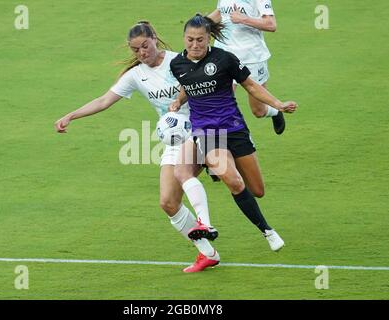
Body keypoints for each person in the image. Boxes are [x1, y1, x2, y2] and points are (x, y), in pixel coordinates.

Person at [54, 21, 219, 273]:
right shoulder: (135, 75)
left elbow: (211, 81)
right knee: (168, 202)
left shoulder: (178, 61)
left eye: (145, 45)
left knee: (190, 176)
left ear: (155, 39)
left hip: (201, 129)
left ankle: (210, 192)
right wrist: (71, 116)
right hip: (174, 137)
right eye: (136, 49)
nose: (142, 52)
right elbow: (103, 101)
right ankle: (208, 253)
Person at [169, 14, 298, 253]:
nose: (195, 45)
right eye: (190, 39)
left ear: (209, 38)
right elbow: (187, 85)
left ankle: (216, 166)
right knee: (234, 180)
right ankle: (268, 231)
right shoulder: (177, 64)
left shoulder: (225, 59)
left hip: (234, 127)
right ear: (184, 38)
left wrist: (278, 104)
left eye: (200, 40)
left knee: (257, 190)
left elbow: (250, 85)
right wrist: (177, 101)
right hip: (207, 132)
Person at [207, 0, 286, 135]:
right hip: (224, 55)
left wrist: (243, 19)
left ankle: (275, 111)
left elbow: (271, 24)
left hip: (251, 57)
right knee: (221, 104)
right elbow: (221, 12)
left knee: (258, 111)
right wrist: (201, 22)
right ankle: (232, 140)